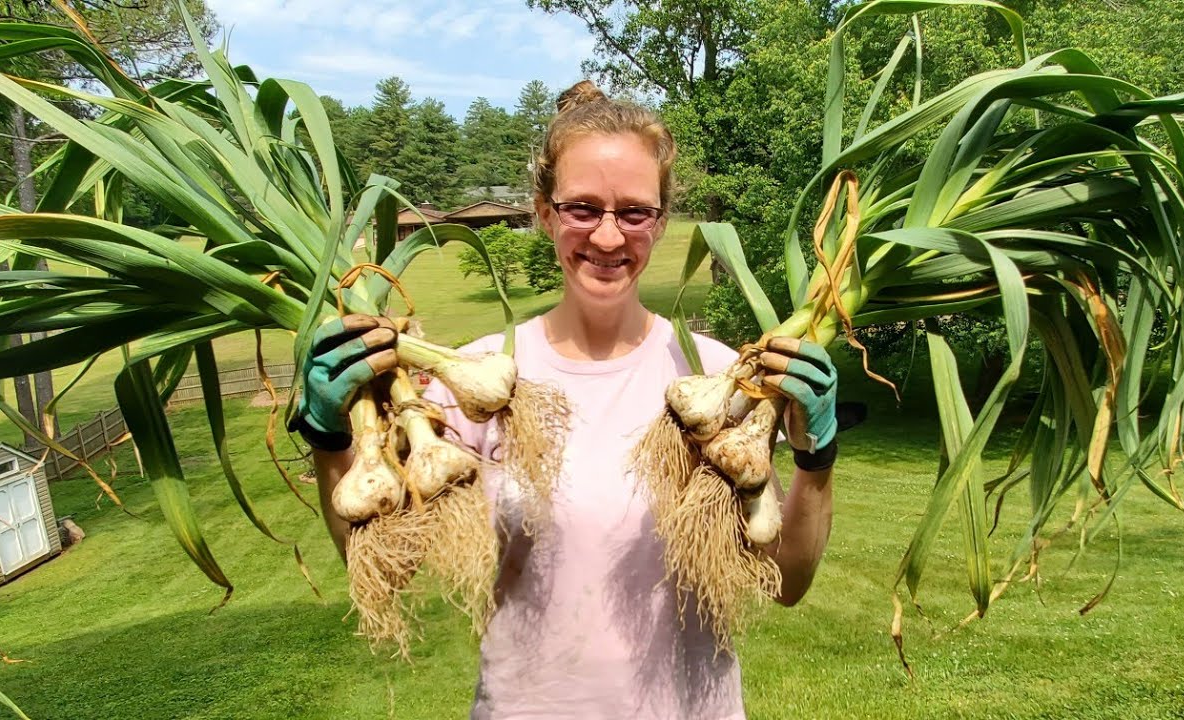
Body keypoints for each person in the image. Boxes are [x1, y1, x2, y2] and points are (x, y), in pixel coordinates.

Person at [295, 81, 841, 719]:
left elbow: (789, 583)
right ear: (545, 212)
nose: (608, 238)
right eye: (582, 207)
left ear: (660, 222)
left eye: (634, 212)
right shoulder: (476, 379)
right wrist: (334, 438)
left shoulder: (716, 377)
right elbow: (388, 573)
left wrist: (817, 455)